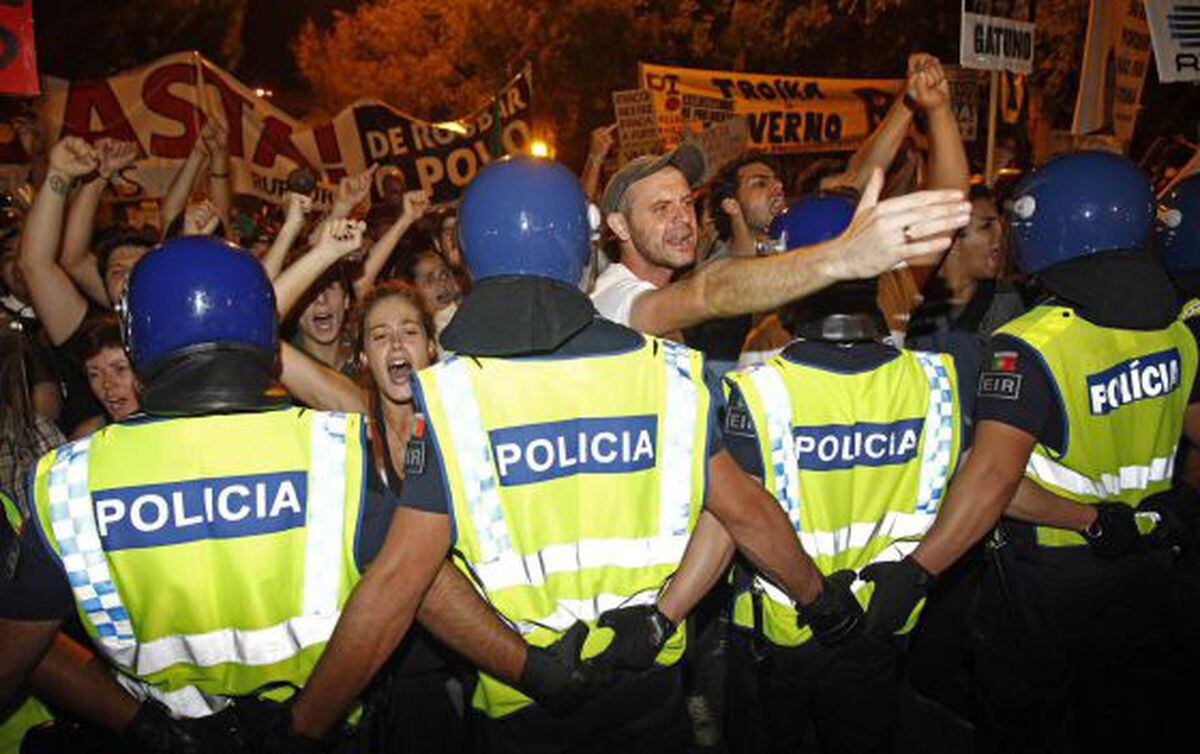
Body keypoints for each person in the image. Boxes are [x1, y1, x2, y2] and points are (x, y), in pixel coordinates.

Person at [283, 157, 865, 751]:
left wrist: (306, 724)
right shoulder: (665, 375)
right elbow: (743, 510)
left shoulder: (454, 397)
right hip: (648, 688)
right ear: (585, 248)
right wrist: (820, 602)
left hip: (522, 710)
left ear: (469, 254)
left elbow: (406, 580)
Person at [887, 152, 1200, 753]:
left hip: (1050, 579)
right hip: (1152, 559)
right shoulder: (1180, 330)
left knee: (1024, 722)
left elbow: (993, 479)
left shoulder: (1029, 344)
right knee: (1126, 713)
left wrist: (918, 570)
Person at [721, 202, 968, 754]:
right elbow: (978, 489)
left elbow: (736, 521)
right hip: (887, 619)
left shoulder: (758, 393)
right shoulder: (938, 382)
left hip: (782, 631)